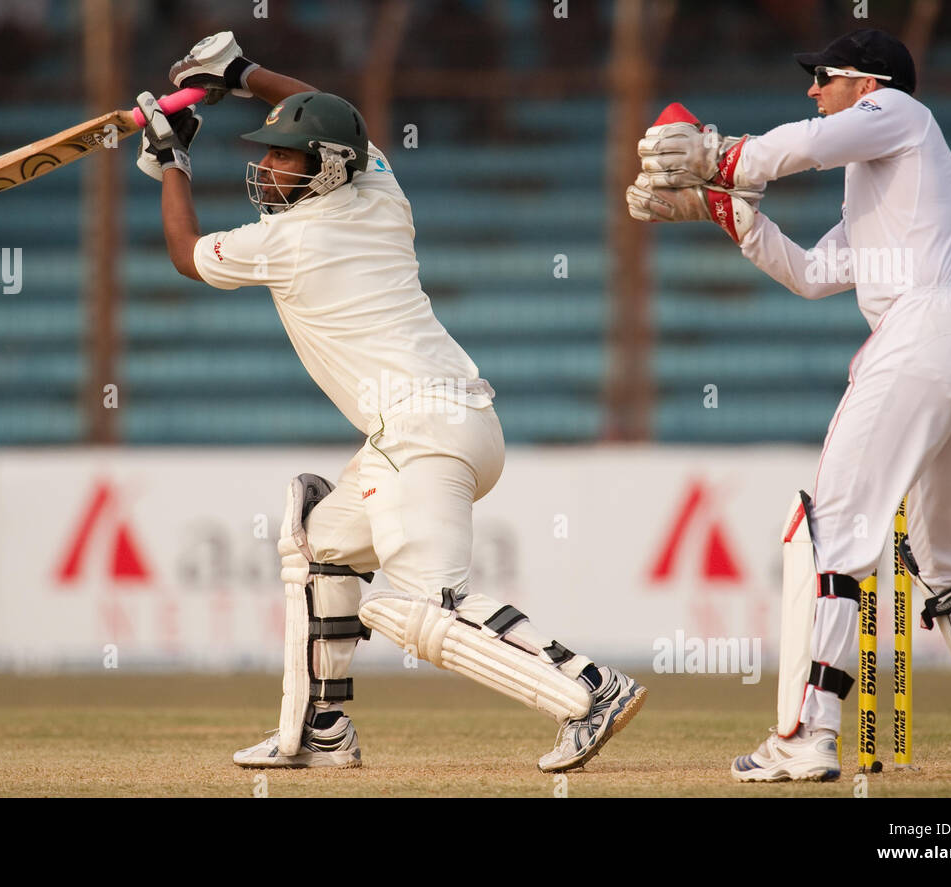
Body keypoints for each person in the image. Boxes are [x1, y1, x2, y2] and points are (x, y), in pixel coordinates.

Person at [135, 31, 647, 772]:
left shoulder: (290, 242)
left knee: (413, 607)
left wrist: (171, 164)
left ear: (326, 170)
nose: (267, 166)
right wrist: (241, 75)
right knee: (320, 544)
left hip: (423, 431)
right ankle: (321, 729)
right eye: (268, 152)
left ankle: (589, 687)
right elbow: (329, 114)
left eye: (283, 157)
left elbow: (185, 254)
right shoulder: (378, 186)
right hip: (441, 424)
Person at [628, 28, 951, 782]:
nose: (812, 89)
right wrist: (724, 209)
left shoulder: (900, 113)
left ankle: (807, 732)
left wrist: (721, 155)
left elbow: (809, 145)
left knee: (834, 532)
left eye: (823, 76)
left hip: (923, 336)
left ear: (866, 82)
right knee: (949, 555)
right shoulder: (887, 186)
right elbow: (816, 272)